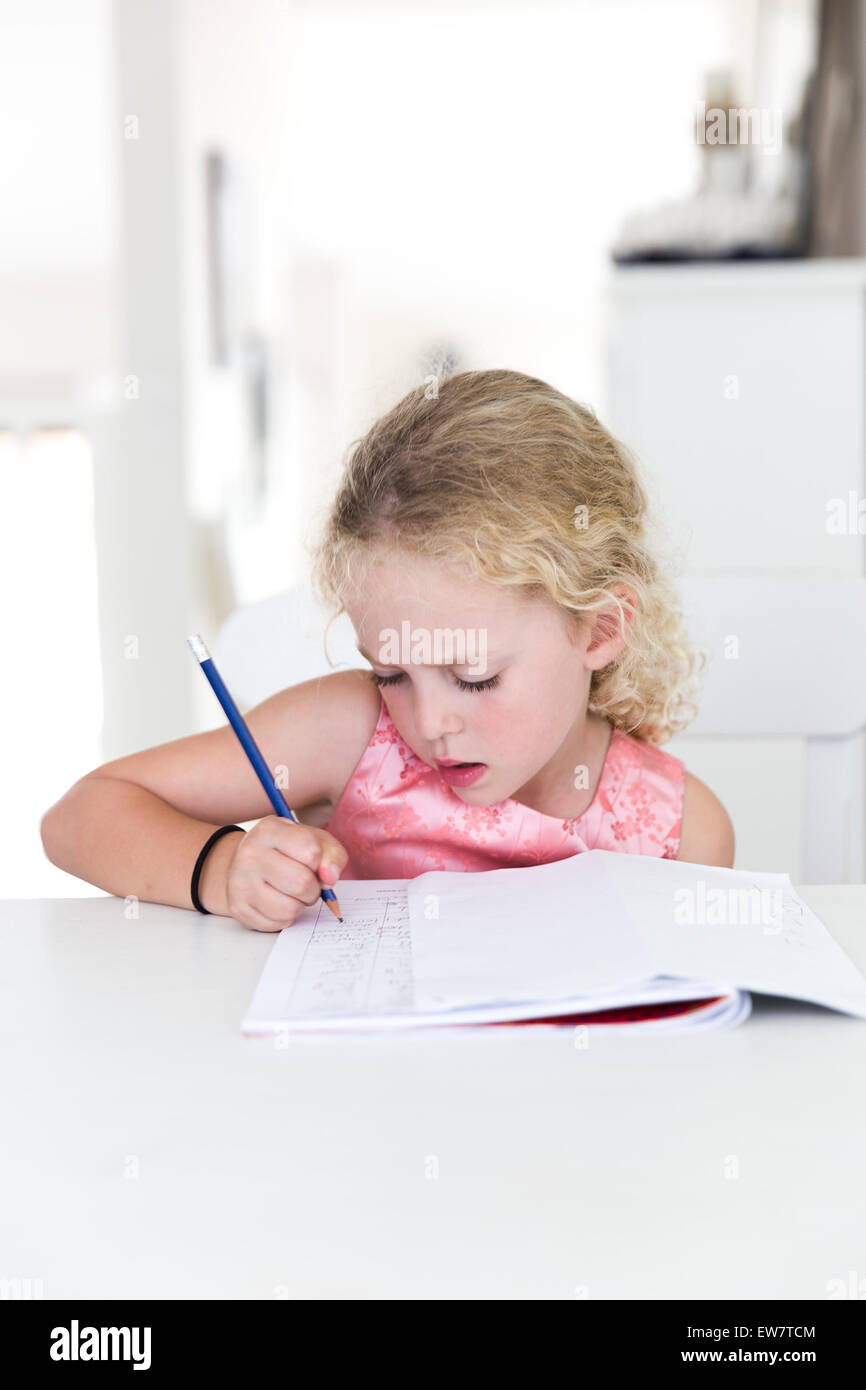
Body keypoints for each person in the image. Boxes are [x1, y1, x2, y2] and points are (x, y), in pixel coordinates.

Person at [41, 369, 734, 932]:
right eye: (392, 670)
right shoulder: (346, 735)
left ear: (601, 628)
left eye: (475, 676)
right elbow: (82, 815)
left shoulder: (683, 832)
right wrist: (222, 869)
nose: (428, 721)